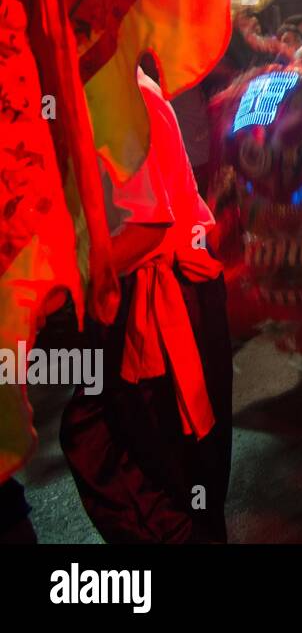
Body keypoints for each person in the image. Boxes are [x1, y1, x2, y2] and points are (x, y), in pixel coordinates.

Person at [60, 69, 232, 542]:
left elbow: (148, 225)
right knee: (128, 453)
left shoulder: (120, 94)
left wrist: (65, 281)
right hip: (141, 298)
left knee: (161, 470)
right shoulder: (92, 91)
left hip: (164, 302)